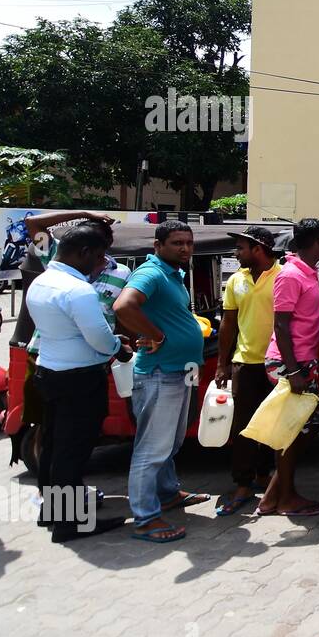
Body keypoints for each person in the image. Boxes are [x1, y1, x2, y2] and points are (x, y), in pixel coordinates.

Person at [26, 222, 130, 542]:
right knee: (72, 452)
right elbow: (99, 337)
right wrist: (119, 347)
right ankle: (68, 523)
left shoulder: (42, 281)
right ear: (84, 253)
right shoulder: (78, 290)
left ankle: (52, 511)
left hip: (49, 372)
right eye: (98, 258)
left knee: (54, 446)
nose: (100, 265)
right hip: (79, 379)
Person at [113, 220, 212, 543]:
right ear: (158, 246)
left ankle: (167, 494)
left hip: (180, 369)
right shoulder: (151, 273)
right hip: (160, 372)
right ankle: (145, 518)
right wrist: (156, 335)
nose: (185, 248)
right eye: (177, 243)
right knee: (152, 449)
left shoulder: (173, 274)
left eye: (189, 243)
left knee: (171, 443)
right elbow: (123, 306)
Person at [257, 218, 319, 518]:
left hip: (303, 362)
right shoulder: (290, 274)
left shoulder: (308, 272)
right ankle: (285, 498)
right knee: (293, 431)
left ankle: (273, 496)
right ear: (318, 242)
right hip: (290, 364)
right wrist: (292, 371)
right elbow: (281, 324)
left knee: (309, 427)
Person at [213, 226, 281, 517]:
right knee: (243, 428)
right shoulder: (236, 280)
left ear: (258, 248)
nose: (236, 253)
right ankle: (242, 484)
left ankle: (265, 476)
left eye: (241, 248)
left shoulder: (283, 275)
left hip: (277, 364)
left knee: (272, 425)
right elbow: (228, 323)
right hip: (244, 363)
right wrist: (222, 363)